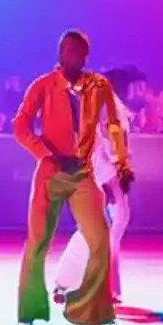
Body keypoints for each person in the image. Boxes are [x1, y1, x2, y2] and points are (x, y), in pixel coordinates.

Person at [10, 30, 134, 325]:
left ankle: (95, 312)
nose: (73, 54)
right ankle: (27, 319)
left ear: (86, 56)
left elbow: (114, 127)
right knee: (37, 242)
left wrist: (123, 163)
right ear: (60, 52)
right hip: (51, 173)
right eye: (68, 49)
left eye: (79, 50)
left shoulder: (98, 87)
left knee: (100, 238)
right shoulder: (43, 85)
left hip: (82, 173)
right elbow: (20, 126)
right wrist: (45, 154)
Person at [53, 67, 136, 303]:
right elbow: (112, 145)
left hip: (99, 172)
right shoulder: (110, 109)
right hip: (105, 174)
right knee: (108, 226)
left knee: (101, 228)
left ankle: (79, 282)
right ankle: (92, 284)